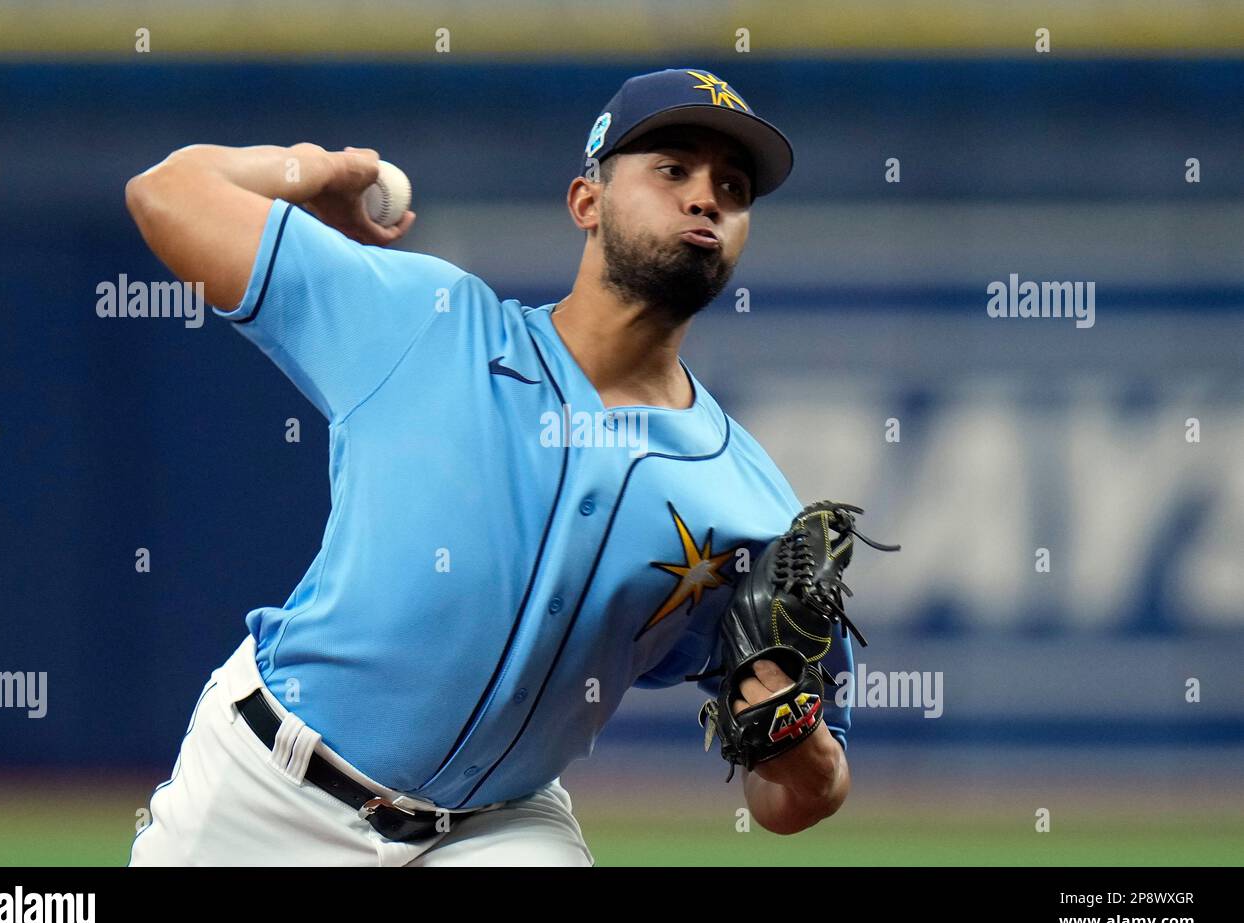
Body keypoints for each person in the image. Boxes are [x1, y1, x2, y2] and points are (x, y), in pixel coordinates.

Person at [125, 67, 851, 867]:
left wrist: (796, 736)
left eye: (734, 186)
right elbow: (167, 192)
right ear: (587, 201)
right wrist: (315, 170)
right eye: (672, 169)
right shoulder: (424, 324)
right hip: (267, 789)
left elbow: (793, 801)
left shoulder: (750, 505)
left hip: (496, 829)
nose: (707, 197)